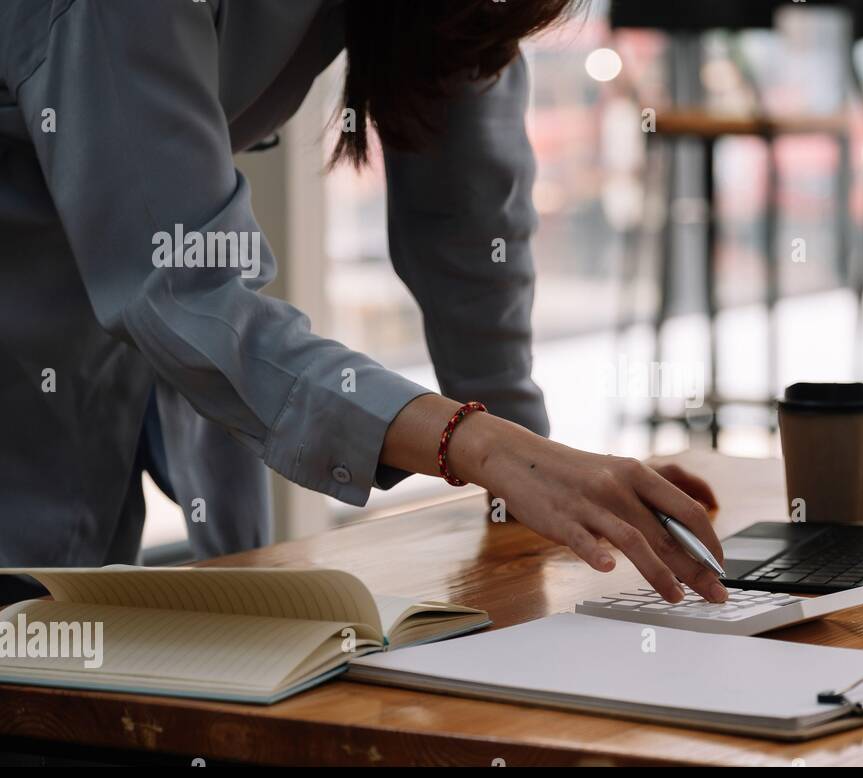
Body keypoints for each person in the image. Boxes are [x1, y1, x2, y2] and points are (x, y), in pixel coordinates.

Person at [0, 0, 727, 605]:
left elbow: (469, 212)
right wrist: (478, 445)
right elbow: (186, 295)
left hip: (96, 376)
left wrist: (543, 479)